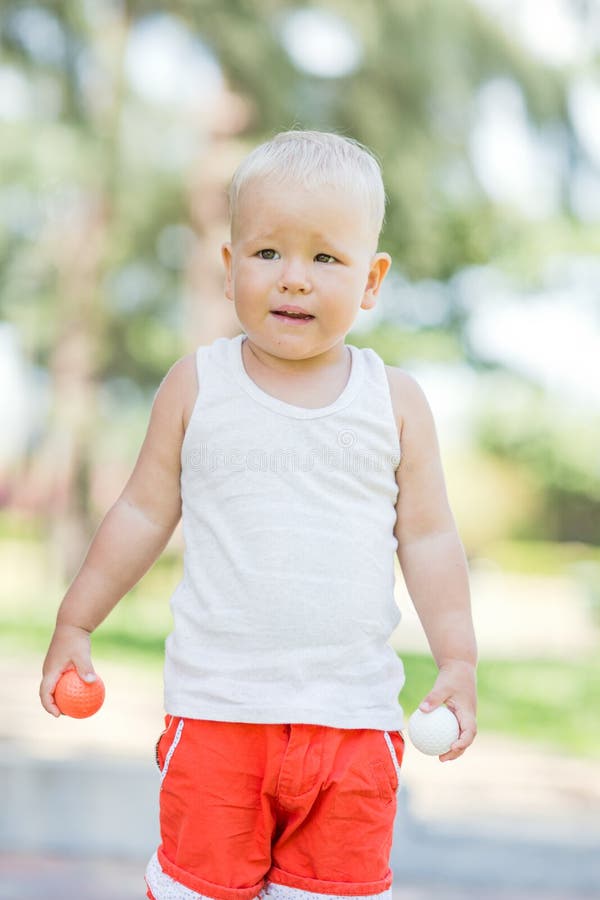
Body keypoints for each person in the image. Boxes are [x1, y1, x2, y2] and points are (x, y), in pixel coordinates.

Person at [40, 130, 477, 900]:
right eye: (268, 253)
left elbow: (431, 537)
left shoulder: (395, 403)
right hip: (218, 716)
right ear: (230, 266)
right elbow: (141, 513)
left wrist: (459, 659)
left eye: (326, 259)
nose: (295, 280)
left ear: (372, 281)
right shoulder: (197, 386)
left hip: (352, 723)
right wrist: (75, 622)